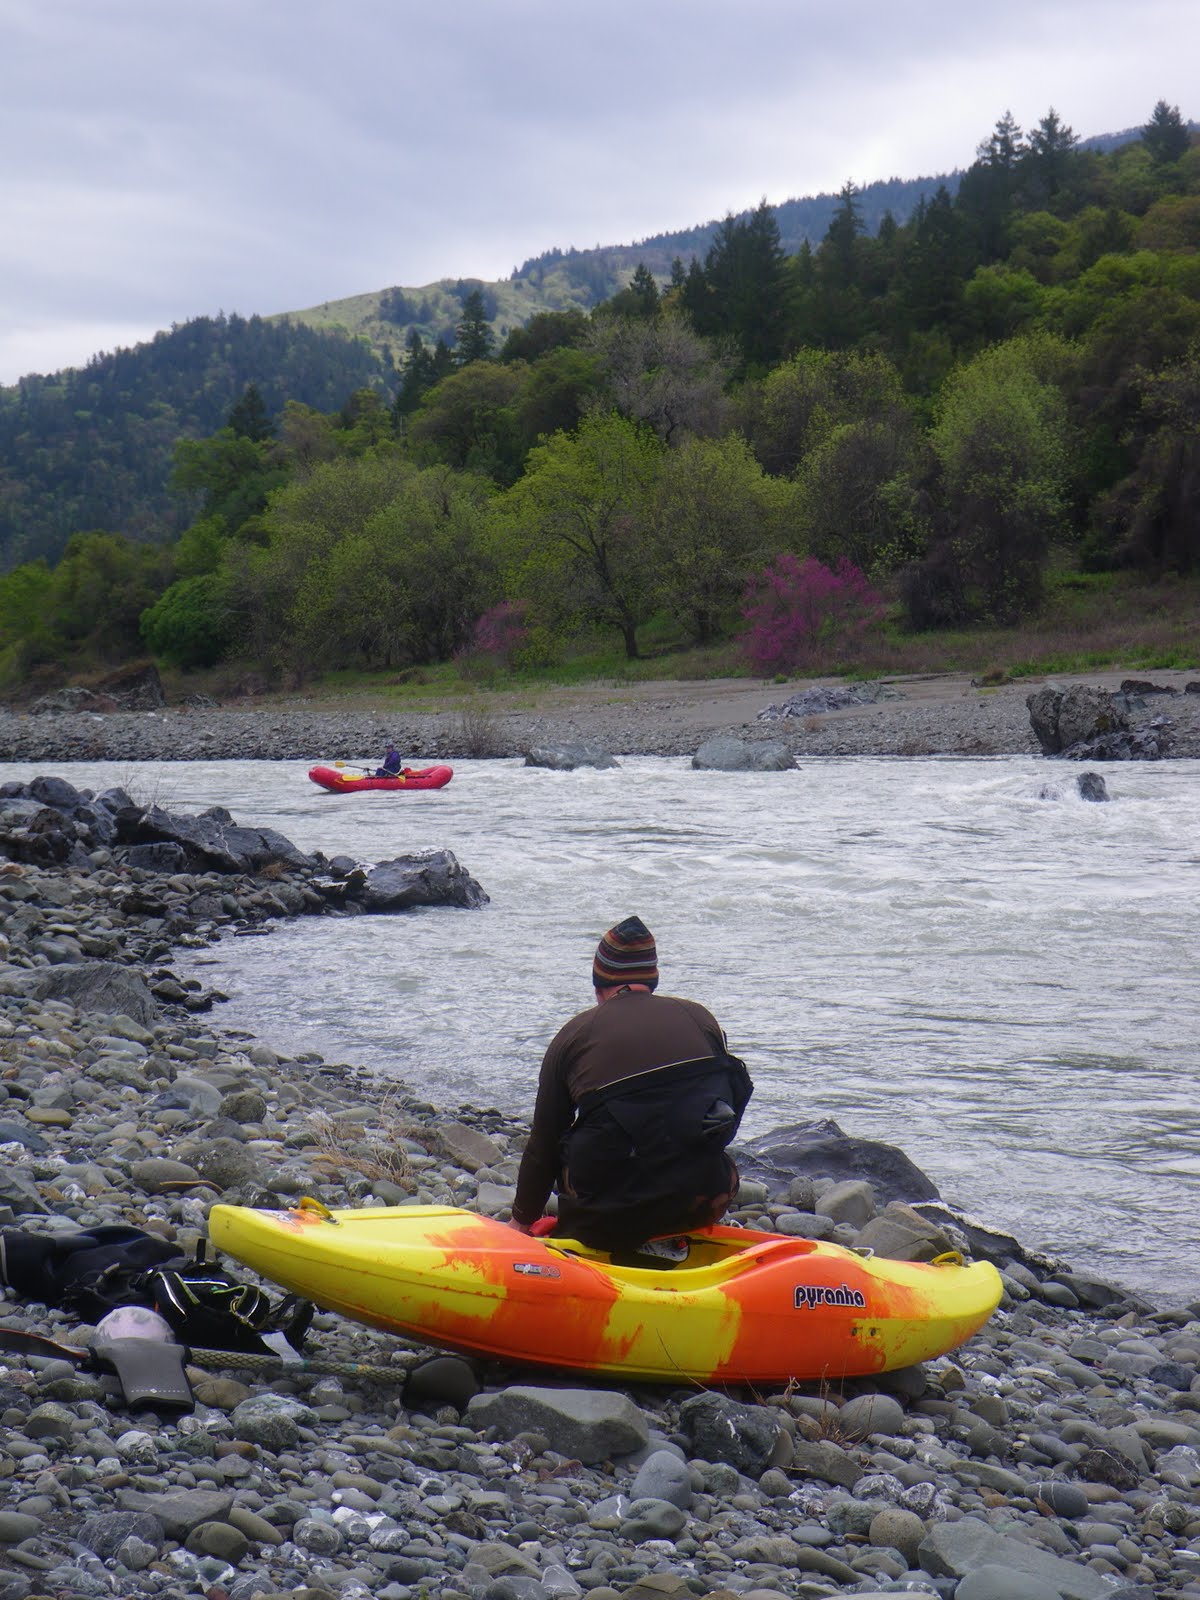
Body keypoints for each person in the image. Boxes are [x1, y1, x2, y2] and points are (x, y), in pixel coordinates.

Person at [510, 916, 752, 1255]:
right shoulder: (701, 1019)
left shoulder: (574, 1034)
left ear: (600, 983)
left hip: (606, 1218)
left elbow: (543, 1144)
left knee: (571, 1144)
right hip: (705, 1197)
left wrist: (521, 1222)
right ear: (651, 979)